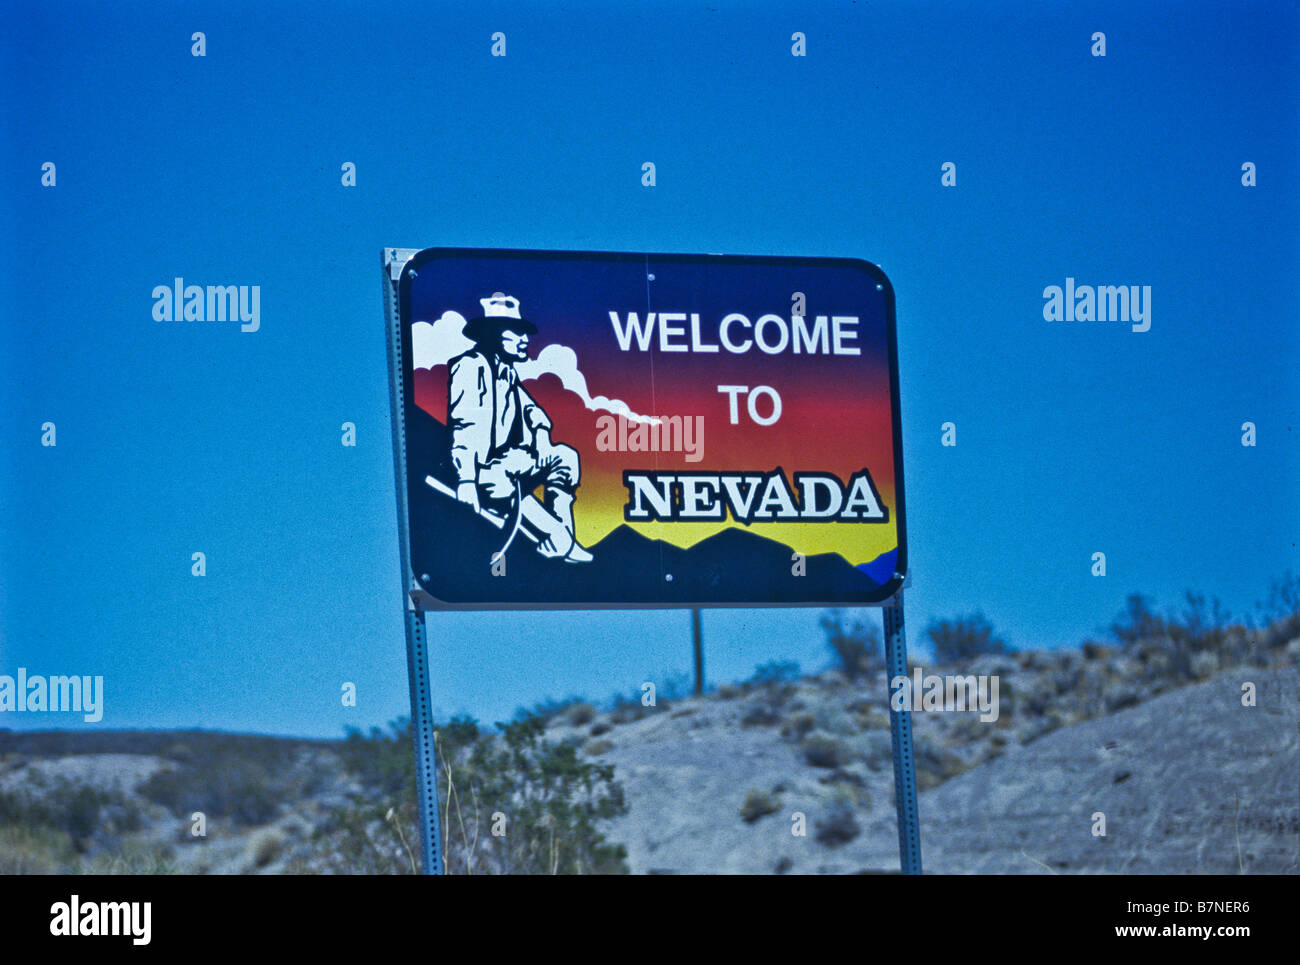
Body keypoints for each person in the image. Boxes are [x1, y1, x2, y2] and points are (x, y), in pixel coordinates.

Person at [447, 293, 592, 563]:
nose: (525, 340)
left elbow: (532, 409)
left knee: (565, 457)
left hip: (511, 459)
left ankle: (563, 538)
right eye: (516, 332)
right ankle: (560, 539)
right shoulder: (470, 368)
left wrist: (541, 436)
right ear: (492, 334)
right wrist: (466, 480)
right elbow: (463, 425)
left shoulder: (508, 372)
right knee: (502, 484)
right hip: (484, 470)